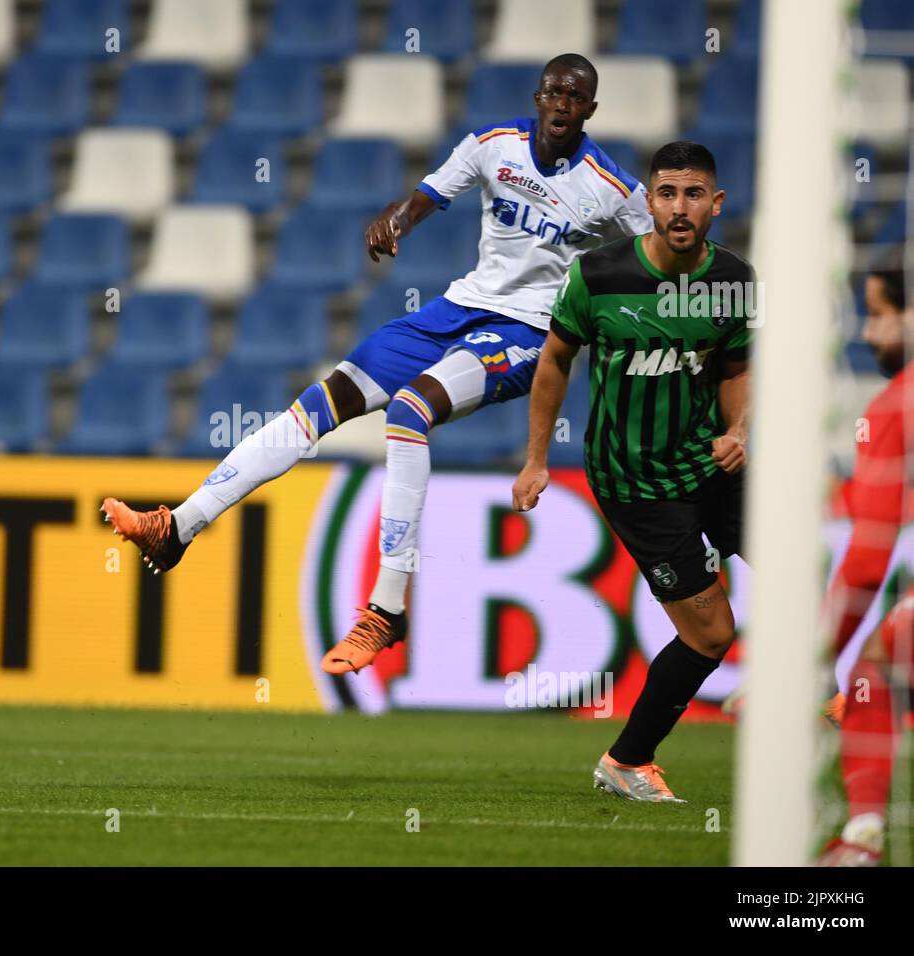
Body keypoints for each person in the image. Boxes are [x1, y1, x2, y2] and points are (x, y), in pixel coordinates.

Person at [103, 53, 652, 674]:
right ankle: (179, 526)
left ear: (590, 110)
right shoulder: (492, 146)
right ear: (538, 97)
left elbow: (657, 255)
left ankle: (386, 609)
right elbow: (429, 194)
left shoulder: (612, 188)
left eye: (576, 97)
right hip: (458, 307)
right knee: (319, 404)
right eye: (554, 92)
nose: (562, 105)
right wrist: (398, 220)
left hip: (526, 332)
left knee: (410, 410)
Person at [513, 140, 753, 802]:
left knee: (797, 565)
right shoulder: (599, 274)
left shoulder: (733, 279)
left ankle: (805, 696)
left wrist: (738, 431)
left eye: (694, 194)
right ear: (649, 200)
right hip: (638, 484)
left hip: (710, 464)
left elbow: (735, 367)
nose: (680, 208)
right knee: (710, 633)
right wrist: (536, 460)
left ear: (716, 203)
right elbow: (555, 360)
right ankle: (626, 761)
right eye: (667, 193)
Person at [817, 261, 912, 866]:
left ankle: (862, 839)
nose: (870, 335)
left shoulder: (893, 407)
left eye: (878, 316)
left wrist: (814, 658)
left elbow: (868, 561)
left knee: (873, 671)